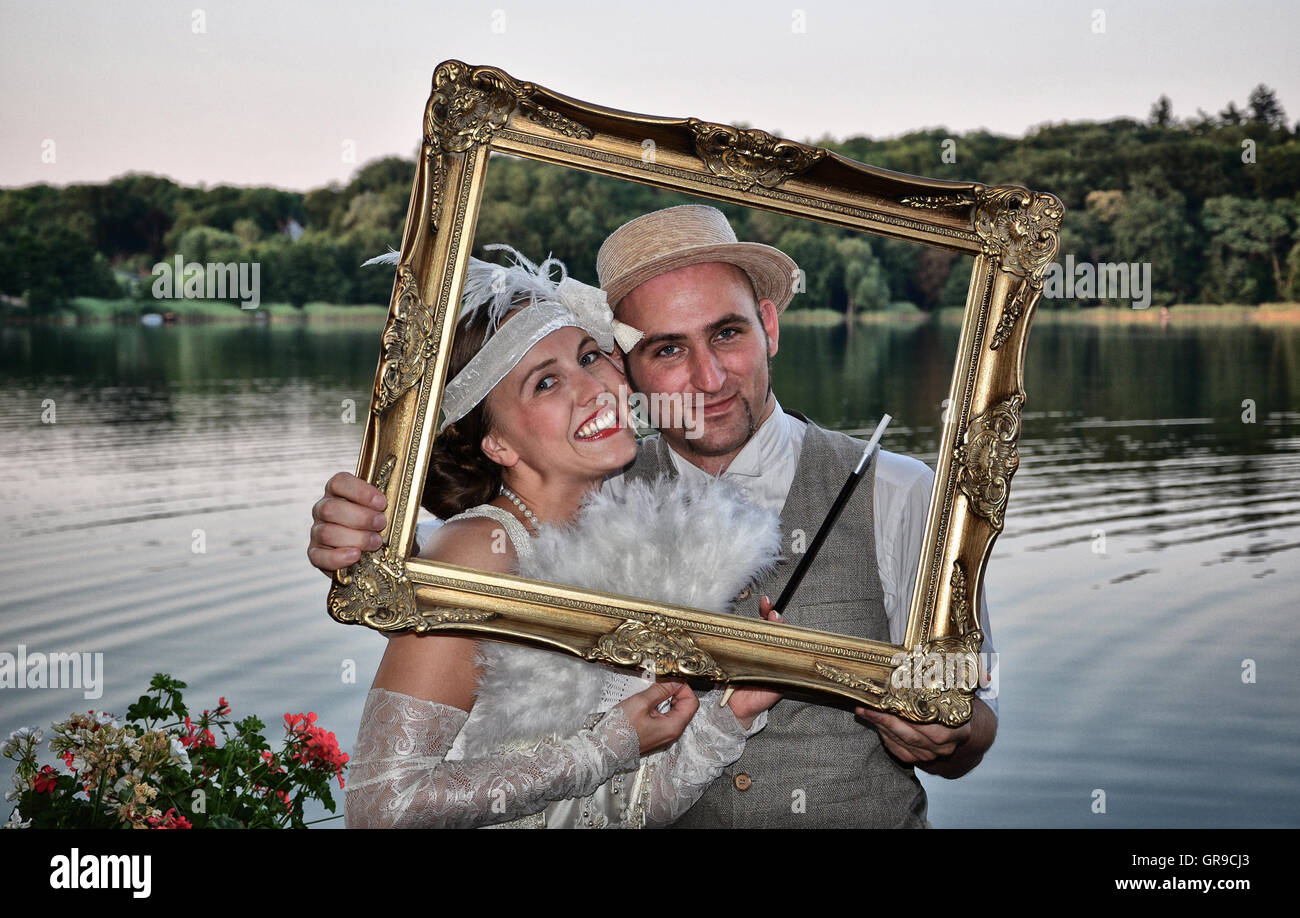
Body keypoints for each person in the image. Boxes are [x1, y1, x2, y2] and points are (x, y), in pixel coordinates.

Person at [314, 206, 998, 828]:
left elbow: (973, 730)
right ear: (631, 366)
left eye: (727, 333)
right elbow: (464, 565)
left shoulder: (904, 493)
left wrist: (952, 733)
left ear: (770, 324)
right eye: (667, 348)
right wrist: (363, 539)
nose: (708, 378)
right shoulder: (590, 490)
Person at [340, 245, 784, 829]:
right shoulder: (478, 553)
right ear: (497, 444)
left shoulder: (619, 537)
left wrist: (732, 713)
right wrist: (607, 745)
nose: (595, 389)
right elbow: (381, 807)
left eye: (591, 356)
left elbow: (613, 811)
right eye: (546, 383)